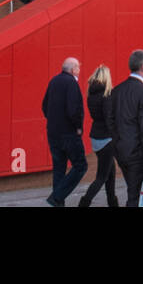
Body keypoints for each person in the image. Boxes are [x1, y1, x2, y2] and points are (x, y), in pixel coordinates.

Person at [107, 49, 143, 206]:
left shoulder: (116, 91)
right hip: (137, 153)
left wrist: (116, 143)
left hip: (121, 150)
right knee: (135, 195)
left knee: (133, 190)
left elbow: (110, 121)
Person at [42, 57, 87, 206]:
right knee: (81, 165)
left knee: (59, 168)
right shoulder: (72, 83)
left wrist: (54, 121)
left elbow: (44, 106)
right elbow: (74, 110)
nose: (79, 71)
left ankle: (58, 202)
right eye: (78, 68)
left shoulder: (54, 81)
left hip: (53, 133)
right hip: (69, 133)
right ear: (73, 69)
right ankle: (56, 197)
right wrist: (78, 127)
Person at [78, 64, 119, 208]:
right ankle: (84, 203)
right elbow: (109, 118)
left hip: (96, 137)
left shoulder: (92, 93)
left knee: (111, 173)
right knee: (101, 177)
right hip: (107, 138)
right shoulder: (106, 95)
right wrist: (117, 136)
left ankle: (112, 203)